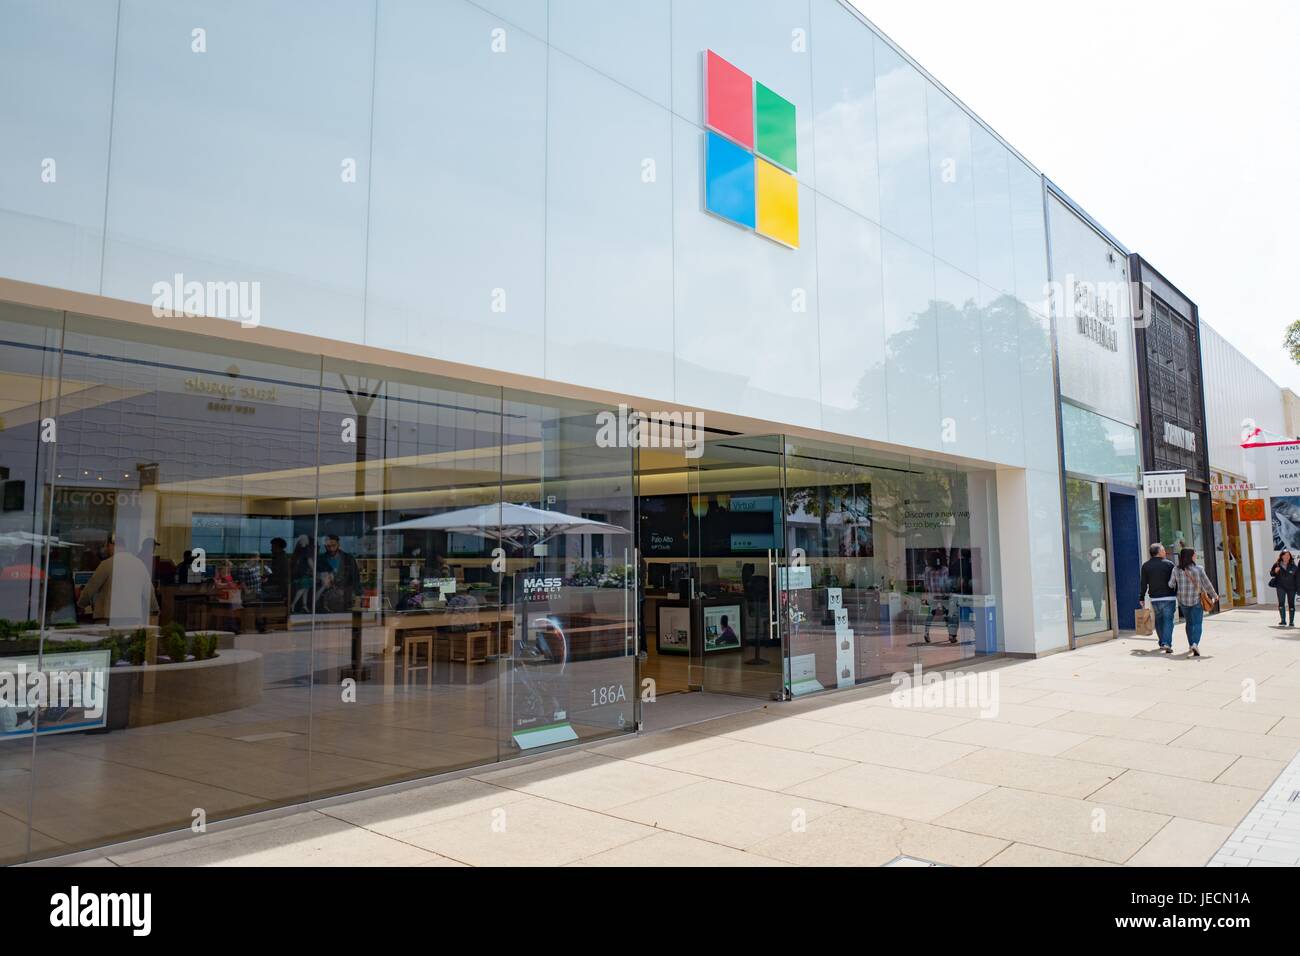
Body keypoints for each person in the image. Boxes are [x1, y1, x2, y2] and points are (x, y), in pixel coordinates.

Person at [76, 534, 159, 626]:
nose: (105, 550)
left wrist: (80, 605)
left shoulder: (107, 564)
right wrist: (154, 609)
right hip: (133, 619)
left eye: (106, 546)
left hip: (109, 619)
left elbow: (91, 588)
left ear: (111, 545)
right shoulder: (139, 564)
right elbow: (149, 591)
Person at [1170, 548, 1217, 657]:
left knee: (1189, 623)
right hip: (1196, 600)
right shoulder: (1198, 569)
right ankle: (1195, 643)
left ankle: (1191, 643)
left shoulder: (1176, 569)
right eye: (1195, 554)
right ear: (1191, 556)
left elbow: (1171, 584)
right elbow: (1207, 584)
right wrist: (1214, 595)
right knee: (1197, 623)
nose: (1196, 556)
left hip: (1183, 601)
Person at [1138, 542, 1177, 653]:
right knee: (1168, 621)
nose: (1165, 552)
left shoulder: (1146, 566)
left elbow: (1143, 583)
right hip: (1169, 598)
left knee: (1159, 621)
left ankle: (1162, 642)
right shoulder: (1169, 564)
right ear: (1159, 552)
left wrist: (1141, 597)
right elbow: (1176, 581)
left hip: (1155, 599)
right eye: (1163, 550)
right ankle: (1166, 643)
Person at [316, 534, 359, 613]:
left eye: (333, 545)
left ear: (338, 544)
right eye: (328, 546)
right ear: (325, 546)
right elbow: (315, 578)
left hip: (345, 598)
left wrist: (356, 595)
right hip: (325, 598)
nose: (331, 549)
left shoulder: (348, 559)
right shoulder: (320, 559)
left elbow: (355, 578)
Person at [1270, 550, 1298, 627]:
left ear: (1290, 557)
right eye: (1285, 555)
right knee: (1281, 603)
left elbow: (1297, 578)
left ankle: (1291, 622)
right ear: (1281, 556)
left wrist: (1298, 588)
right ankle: (1283, 621)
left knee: (1291, 604)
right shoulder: (1277, 564)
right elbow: (1271, 574)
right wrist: (1275, 571)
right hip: (1280, 587)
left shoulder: (1294, 566)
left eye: (1288, 555)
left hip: (1291, 588)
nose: (1286, 557)